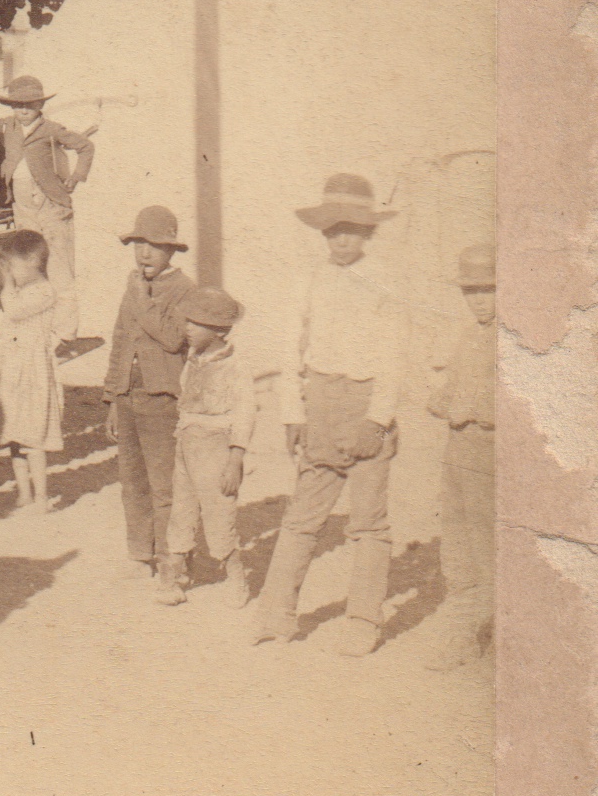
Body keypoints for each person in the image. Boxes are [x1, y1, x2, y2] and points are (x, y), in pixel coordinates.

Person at [252, 172, 405, 654]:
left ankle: (363, 619)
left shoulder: (385, 284)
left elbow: (394, 357)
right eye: (334, 228)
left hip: (364, 409)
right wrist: (293, 414)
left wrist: (377, 420)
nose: (343, 238)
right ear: (323, 232)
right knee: (301, 518)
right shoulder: (309, 280)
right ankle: (276, 615)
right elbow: (288, 348)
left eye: (354, 229)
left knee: (368, 523)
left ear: (369, 233)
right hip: (320, 406)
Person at [103, 206, 196, 591]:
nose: (145, 254)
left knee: (164, 485)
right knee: (132, 482)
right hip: (128, 395)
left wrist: (142, 300)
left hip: (161, 399)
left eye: (155, 247)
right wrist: (112, 396)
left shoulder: (184, 290)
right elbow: (121, 338)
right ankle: (140, 555)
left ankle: (172, 562)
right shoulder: (133, 286)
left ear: (171, 250)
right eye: (139, 244)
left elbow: (174, 338)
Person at [421, 243, 497, 671]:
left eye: (488, 289)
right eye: (471, 291)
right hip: (459, 448)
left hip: (491, 450)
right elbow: (447, 391)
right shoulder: (469, 334)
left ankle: (504, 644)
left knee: (490, 548)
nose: (479, 299)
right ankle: (464, 636)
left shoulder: (518, 339)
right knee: (458, 545)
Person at [161, 286, 255, 608]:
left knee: (218, 515)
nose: (187, 327)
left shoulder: (236, 366)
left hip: (215, 449)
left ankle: (235, 577)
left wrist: (235, 459)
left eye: (195, 323)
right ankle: (175, 578)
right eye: (187, 321)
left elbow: (244, 414)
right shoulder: (193, 361)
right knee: (181, 511)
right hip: (186, 444)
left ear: (218, 330)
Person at [0, 228, 65, 512]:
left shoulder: (44, 291)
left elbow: (13, 311)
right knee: (15, 434)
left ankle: (41, 497)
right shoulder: (24, 290)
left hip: (33, 372)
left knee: (33, 435)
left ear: (32, 262)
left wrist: (5, 285)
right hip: (16, 369)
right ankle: (23, 493)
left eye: (13, 266)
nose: (10, 272)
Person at [0, 75, 93, 295]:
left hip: (50, 202)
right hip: (22, 204)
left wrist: (77, 176)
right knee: (28, 257)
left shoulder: (52, 129)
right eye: (18, 105)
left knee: (58, 257)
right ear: (11, 106)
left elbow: (86, 146)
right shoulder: (8, 126)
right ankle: (35, 309)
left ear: (41, 105)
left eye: (30, 105)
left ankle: (64, 308)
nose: (24, 111)